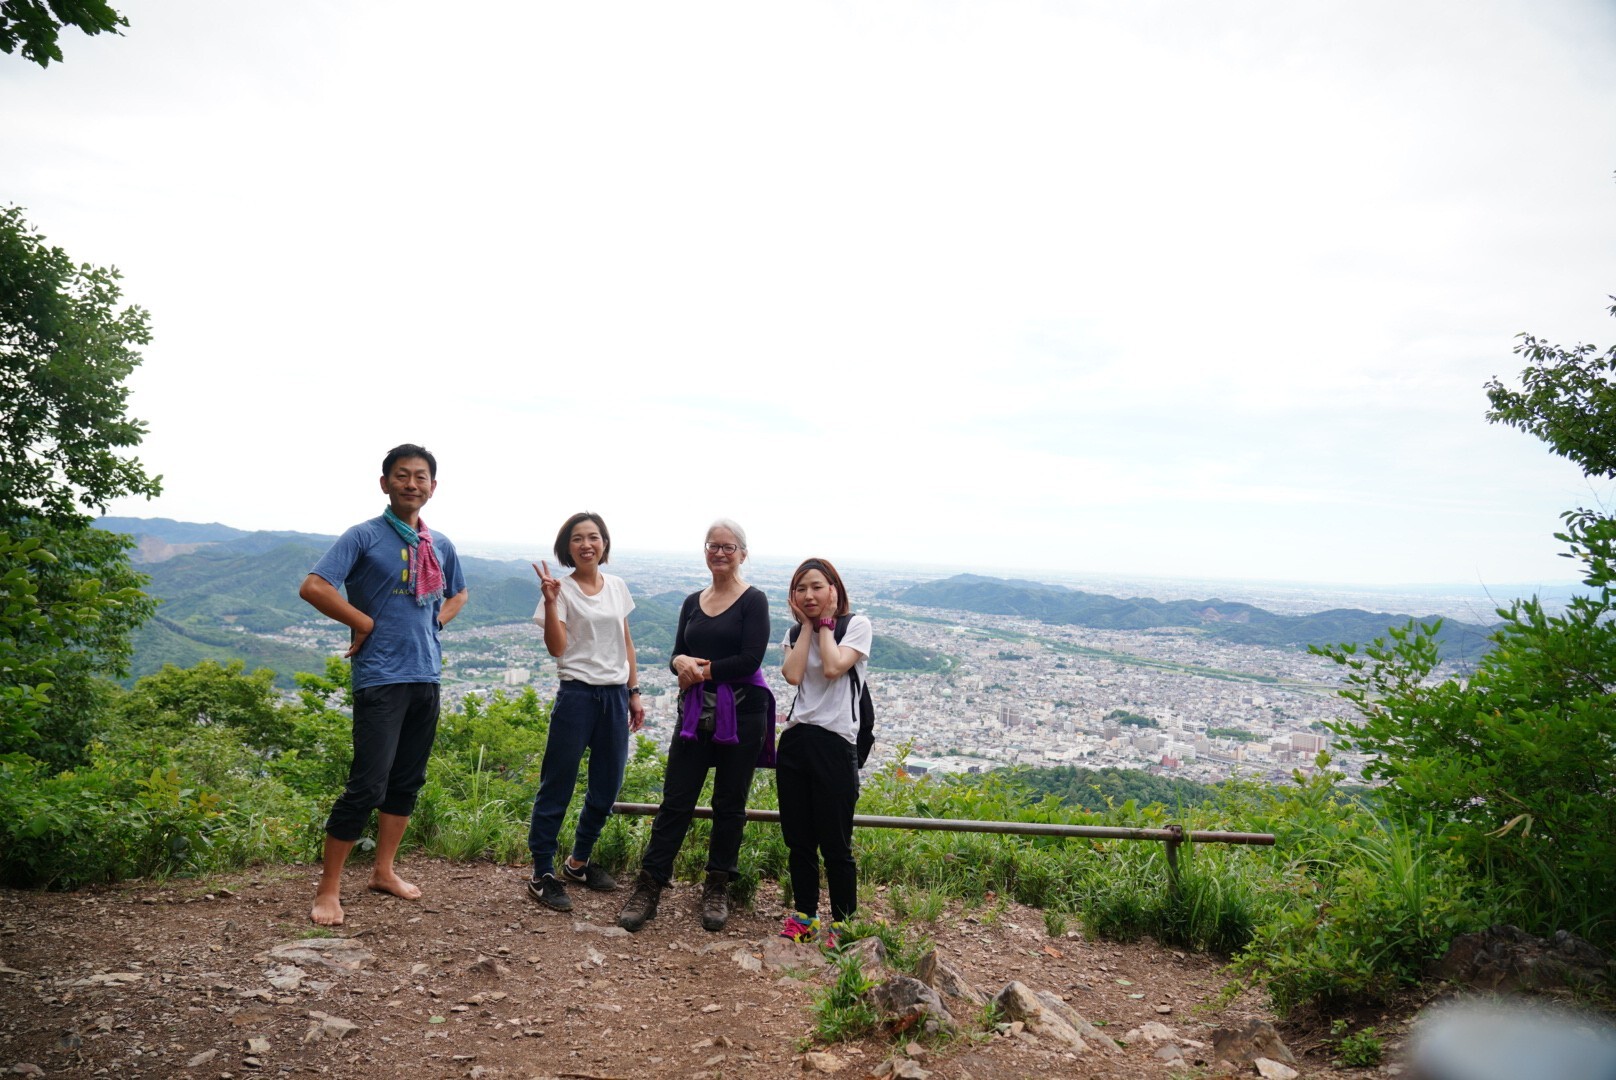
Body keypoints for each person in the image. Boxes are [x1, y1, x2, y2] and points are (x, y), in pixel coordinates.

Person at [299, 444, 468, 926]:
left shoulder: (439, 544)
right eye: (402, 475)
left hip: (425, 674)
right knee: (367, 784)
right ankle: (328, 889)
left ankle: (383, 872)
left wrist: (436, 622)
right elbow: (314, 586)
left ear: (433, 487)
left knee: (407, 780)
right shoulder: (364, 536)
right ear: (385, 483)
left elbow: (459, 592)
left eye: (420, 476)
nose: (411, 483)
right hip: (380, 676)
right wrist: (363, 622)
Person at [616, 519, 774, 933]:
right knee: (676, 800)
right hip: (694, 713)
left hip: (743, 713)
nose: (719, 552)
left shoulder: (754, 601)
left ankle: (718, 886)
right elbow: (676, 655)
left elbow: (751, 659)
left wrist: (697, 670)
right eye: (712, 545)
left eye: (728, 546)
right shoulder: (692, 601)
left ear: (743, 554)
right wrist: (679, 662)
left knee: (730, 803)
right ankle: (650, 885)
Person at [525, 512, 645, 912]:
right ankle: (542, 872)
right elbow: (557, 648)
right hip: (576, 695)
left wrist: (634, 692)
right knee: (557, 783)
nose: (586, 544)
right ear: (567, 547)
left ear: (604, 543)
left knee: (608, 784)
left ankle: (578, 862)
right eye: (577, 538)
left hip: (614, 695)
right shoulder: (561, 590)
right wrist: (550, 601)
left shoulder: (618, 586)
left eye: (593, 537)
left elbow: (626, 642)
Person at [777, 556, 871, 947]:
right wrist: (806, 628)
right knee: (798, 839)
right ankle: (805, 916)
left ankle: (844, 922)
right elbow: (793, 674)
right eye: (801, 589)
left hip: (835, 743)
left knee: (836, 842)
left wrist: (827, 624)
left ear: (834, 588)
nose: (809, 595)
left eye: (817, 586)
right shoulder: (793, 632)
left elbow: (833, 667)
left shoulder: (857, 626)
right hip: (796, 741)